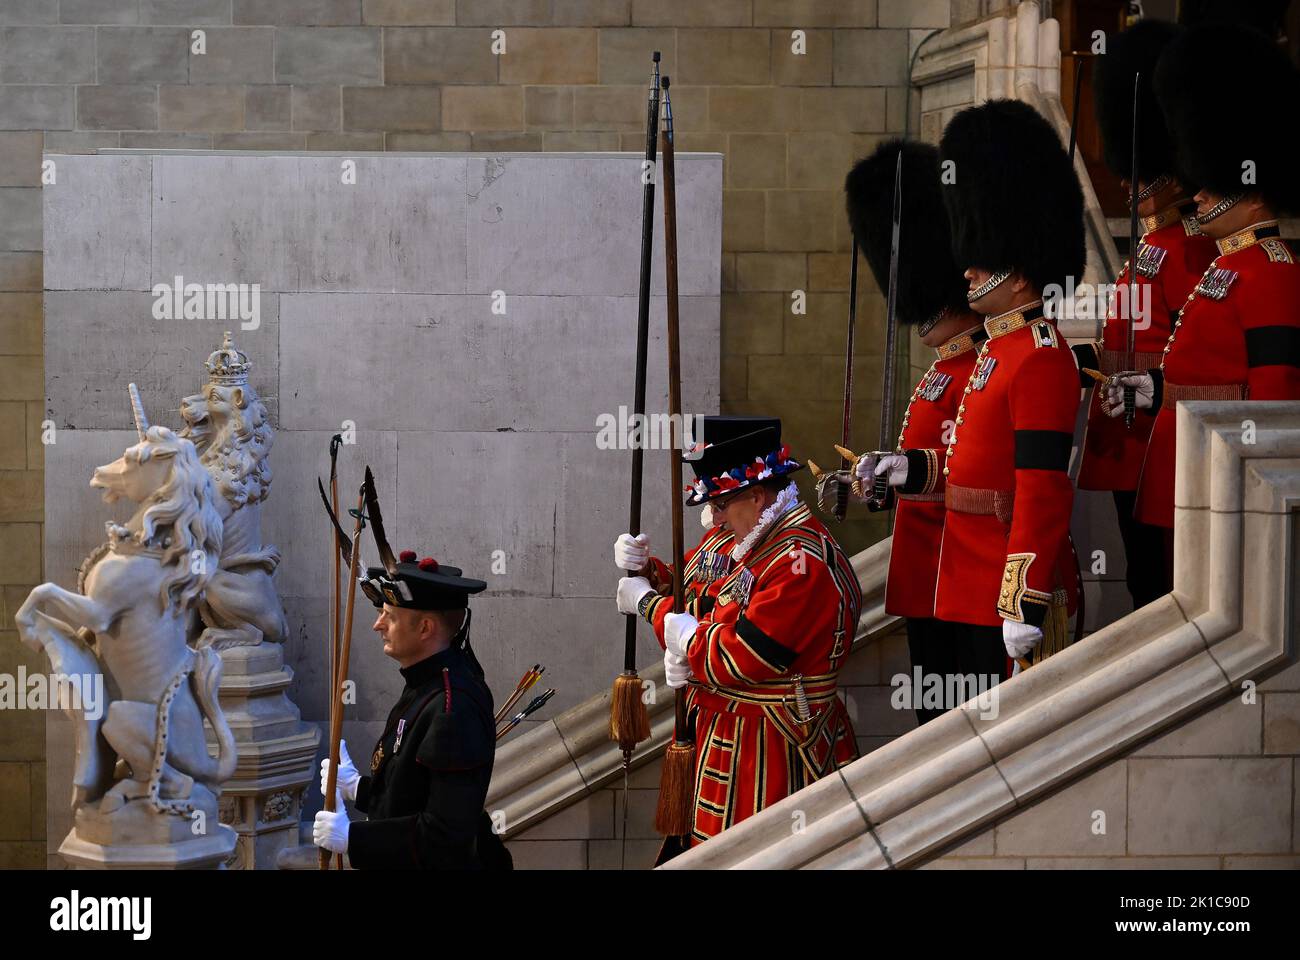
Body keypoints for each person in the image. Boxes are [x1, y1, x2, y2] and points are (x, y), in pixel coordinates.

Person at [865, 99, 1085, 674]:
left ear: (1019, 275)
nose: (967, 270)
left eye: (983, 262)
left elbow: (1040, 486)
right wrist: (911, 471)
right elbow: (972, 468)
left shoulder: (1040, 356)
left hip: (1000, 587)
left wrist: (1025, 593)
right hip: (962, 581)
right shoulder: (999, 349)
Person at [613, 416, 860, 845]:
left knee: (756, 852)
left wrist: (652, 608)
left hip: (772, 743)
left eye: (722, 504)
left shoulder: (799, 560)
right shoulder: (747, 536)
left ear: (758, 496)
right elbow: (698, 590)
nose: (714, 516)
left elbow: (737, 656)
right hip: (725, 732)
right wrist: (647, 570)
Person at [1111, 24, 1300, 548]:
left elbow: (1274, 396)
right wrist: (1156, 392)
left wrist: (1263, 495)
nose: (1197, 196)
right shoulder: (1229, 265)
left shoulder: (1272, 270)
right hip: (1182, 469)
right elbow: (1202, 368)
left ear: (1257, 196)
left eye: (1213, 184)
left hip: (1224, 481)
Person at [821, 137, 989, 724]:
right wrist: (879, 482)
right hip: (927, 576)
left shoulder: (983, 368)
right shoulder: (947, 369)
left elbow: (980, 471)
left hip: (966, 579)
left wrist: (908, 472)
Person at [1072, 19, 1216, 609]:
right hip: (1127, 440)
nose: (1133, 184)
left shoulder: (1193, 248)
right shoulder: (1153, 247)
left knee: (1162, 588)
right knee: (1142, 584)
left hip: (1161, 441)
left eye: (1145, 171)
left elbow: (1199, 354)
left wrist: (1152, 386)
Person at [312, 548, 512, 870]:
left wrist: (354, 838)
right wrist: (358, 788)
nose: (378, 625)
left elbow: (445, 835)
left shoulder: (452, 707)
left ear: (425, 629)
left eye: (389, 616)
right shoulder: (425, 683)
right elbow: (412, 795)